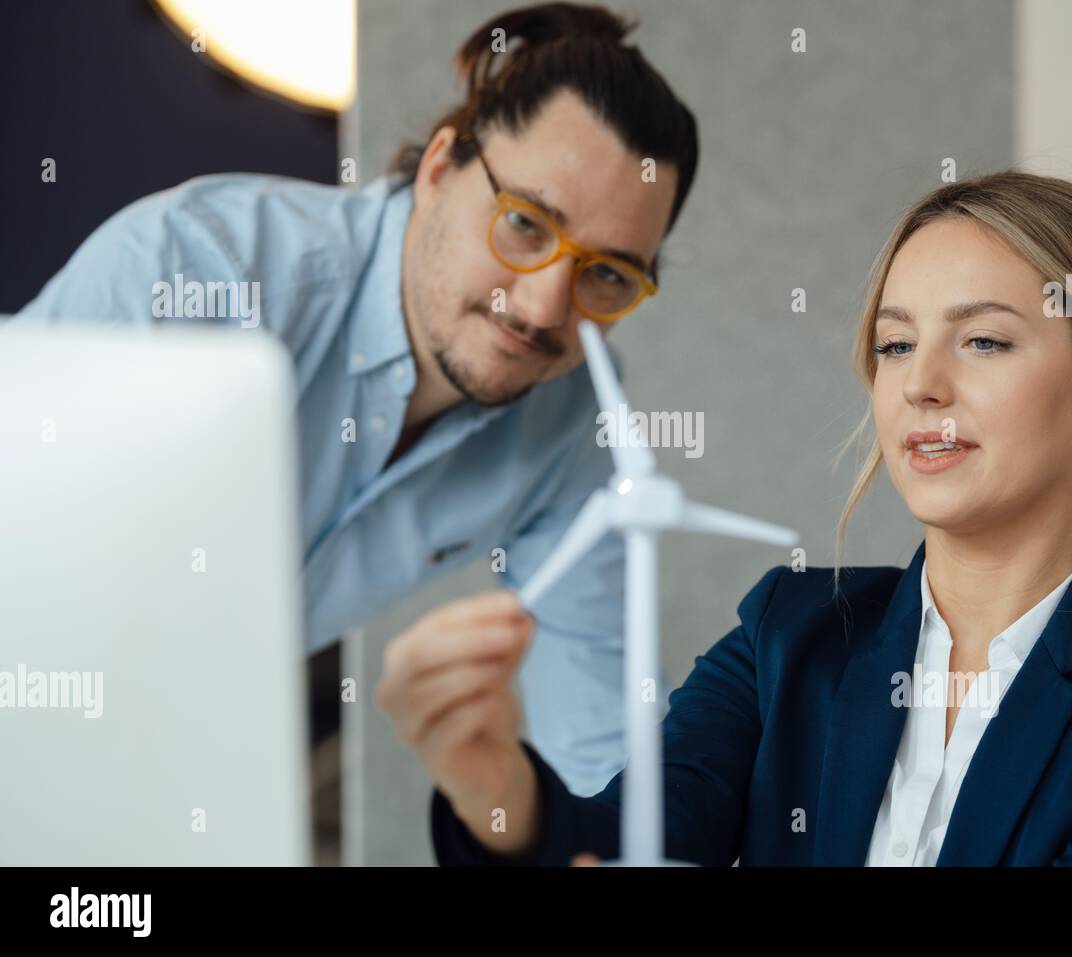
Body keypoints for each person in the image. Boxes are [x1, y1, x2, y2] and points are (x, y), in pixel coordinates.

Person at [377, 171, 1072, 866]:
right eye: (896, 343)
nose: (922, 383)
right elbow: (626, 841)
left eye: (982, 340)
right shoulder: (788, 633)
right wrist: (494, 783)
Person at [8, 2, 699, 800]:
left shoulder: (570, 424)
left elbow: (607, 742)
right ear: (440, 167)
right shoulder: (199, 268)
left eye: (607, 274)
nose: (547, 305)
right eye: (524, 223)